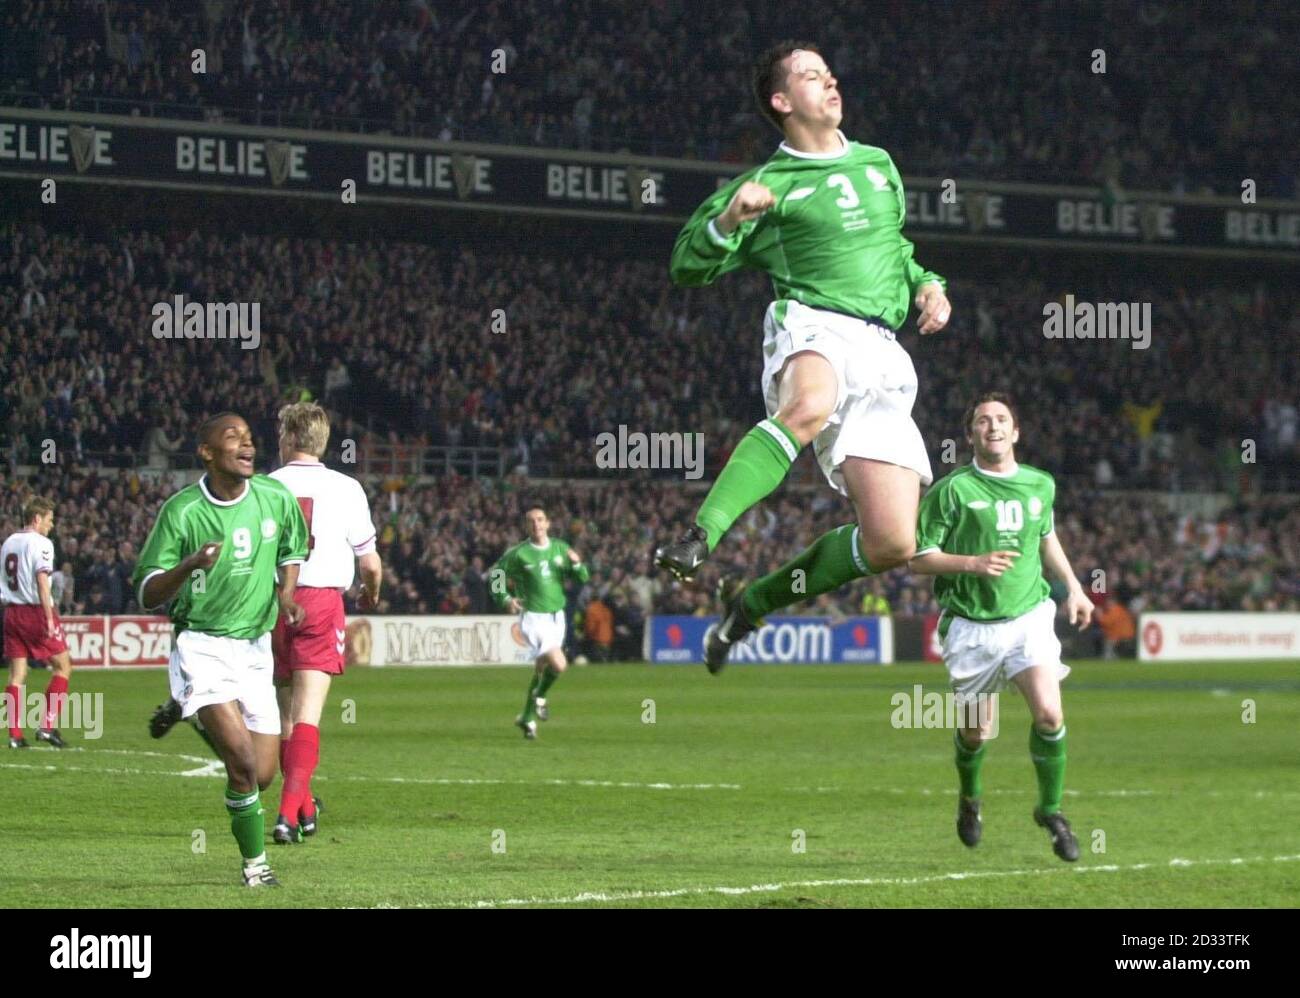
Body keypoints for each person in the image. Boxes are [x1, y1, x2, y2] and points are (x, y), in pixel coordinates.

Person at [654, 41, 951, 671]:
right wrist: (731, 219)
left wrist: (929, 284)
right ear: (782, 101)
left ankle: (752, 604)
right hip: (814, 322)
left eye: (830, 72)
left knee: (895, 542)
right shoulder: (765, 186)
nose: (831, 81)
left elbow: (895, 249)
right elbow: (685, 263)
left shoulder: (879, 165)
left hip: (884, 352)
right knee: (809, 405)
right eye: (812, 76)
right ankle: (700, 534)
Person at [908, 394, 1093, 862]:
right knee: (977, 733)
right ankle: (970, 797)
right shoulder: (950, 491)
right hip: (972, 627)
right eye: (983, 421)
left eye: (1002, 419)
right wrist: (972, 562)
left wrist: (1073, 586)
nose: (993, 426)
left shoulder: (1040, 484)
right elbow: (918, 559)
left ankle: (1050, 811)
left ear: (1016, 432)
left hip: (1029, 616)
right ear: (971, 434)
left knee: (1050, 714)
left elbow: (1046, 537)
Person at [131, 413, 308, 887]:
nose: (247, 444)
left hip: (255, 651)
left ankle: (186, 709)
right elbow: (147, 591)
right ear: (206, 452)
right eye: (233, 437)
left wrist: (286, 594)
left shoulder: (274, 497)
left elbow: (293, 549)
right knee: (243, 765)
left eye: (250, 437)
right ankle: (256, 867)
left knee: (264, 773)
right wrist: (188, 565)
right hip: (202, 645)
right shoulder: (183, 511)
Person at [267, 402, 381, 845]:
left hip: (275, 603)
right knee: (308, 715)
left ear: (289, 439)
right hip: (320, 601)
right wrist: (371, 592)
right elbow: (369, 563)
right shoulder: (347, 488)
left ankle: (305, 804)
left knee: (285, 717)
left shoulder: (264, 487)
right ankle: (285, 815)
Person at [490, 507, 589, 739]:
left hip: (558, 617)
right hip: (533, 617)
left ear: (548, 523)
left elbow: (582, 577)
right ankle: (540, 698)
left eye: (540, 520)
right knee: (560, 664)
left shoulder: (560, 548)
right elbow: (496, 574)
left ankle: (526, 717)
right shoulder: (519, 553)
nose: (536, 524)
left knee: (543, 667)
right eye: (531, 521)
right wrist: (504, 599)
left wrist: (576, 565)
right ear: (527, 527)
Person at [3, 497, 75, 749]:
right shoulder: (42, 543)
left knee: (17, 674)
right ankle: (46, 726)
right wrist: (49, 618)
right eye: (49, 519)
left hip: (11, 612)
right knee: (63, 666)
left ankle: (14, 736)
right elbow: (42, 582)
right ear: (37, 519)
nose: (51, 525)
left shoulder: (9, 542)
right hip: (35, 612)